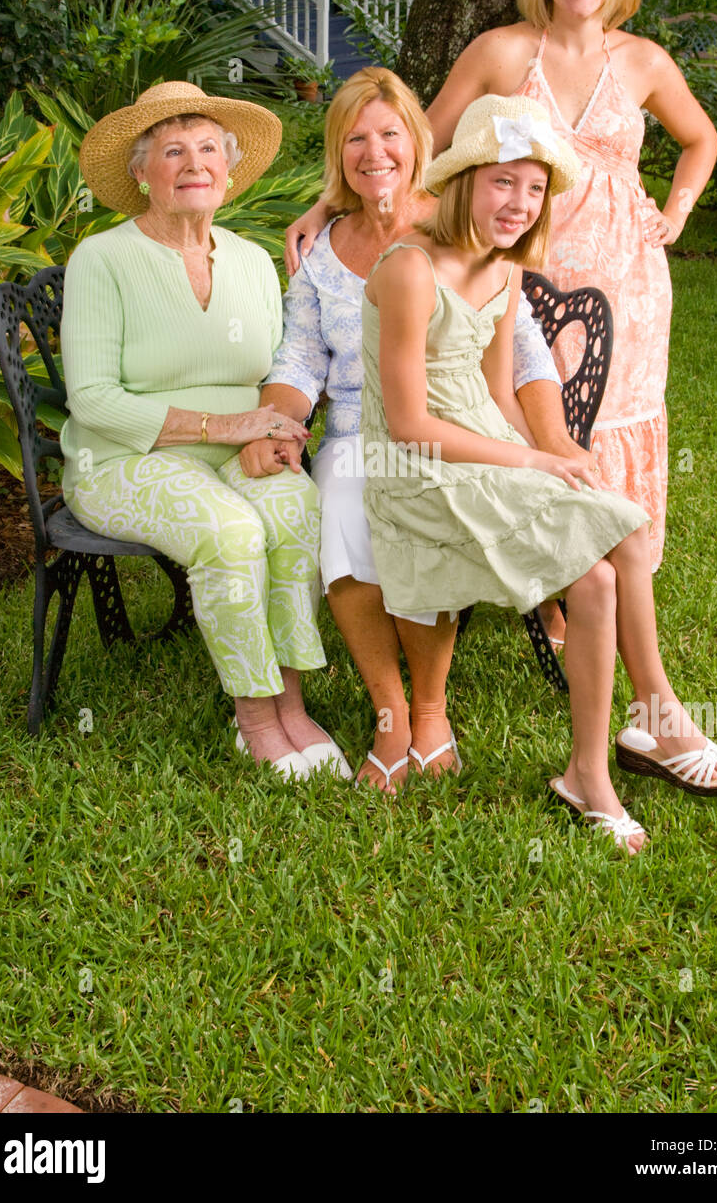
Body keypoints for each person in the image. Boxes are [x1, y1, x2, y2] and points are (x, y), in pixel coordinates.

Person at [286, 0, 717, 576]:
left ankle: (602, 565)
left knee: (608, 416)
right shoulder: (503, 49)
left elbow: (700, 139)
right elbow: (417, 146)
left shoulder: (645, 61)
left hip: (626, 279)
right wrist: (330, 202)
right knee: (521, 400)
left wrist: (676, 212)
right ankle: (543, 568)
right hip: (517, 269)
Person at [360, 93, 717, 851]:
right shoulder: (410, 268)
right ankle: (609, 760)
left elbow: (501, 393)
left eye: (534, 189)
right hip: (416, 470)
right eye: (503, 182)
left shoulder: (504, 272)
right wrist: (528, 461)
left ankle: (634, 734)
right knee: (595, 572)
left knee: (622, 529)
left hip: (480, 443)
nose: (519, 203)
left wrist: (551, 460)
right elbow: (407, 424)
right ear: (467, 179)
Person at [244, 66, 588, 793]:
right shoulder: (321, 253)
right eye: (355, 139)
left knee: (415, 505)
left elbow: (521, 344)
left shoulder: (454, 224)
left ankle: (431, 712)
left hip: (450, 427)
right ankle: (392, 712)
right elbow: (299, 357)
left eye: (391, 135)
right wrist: (276, 423)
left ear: (420, 143)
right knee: (341, 502)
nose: (375, 153)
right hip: (355, 434)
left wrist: (550, 441)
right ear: (338, 153)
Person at [63, 81, 351, 783]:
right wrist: (227, 423)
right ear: (141, 173)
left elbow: (286, 366)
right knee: (230, 532)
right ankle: (253, 716)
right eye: (172, 151)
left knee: (294, 510)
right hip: (121, 458)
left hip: (238, 449)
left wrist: (271, 432)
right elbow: (93, 399)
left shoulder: (251, 260)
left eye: (206, 150)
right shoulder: (102, 260)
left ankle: (292, 703)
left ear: (226, 168)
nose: (194, 164)